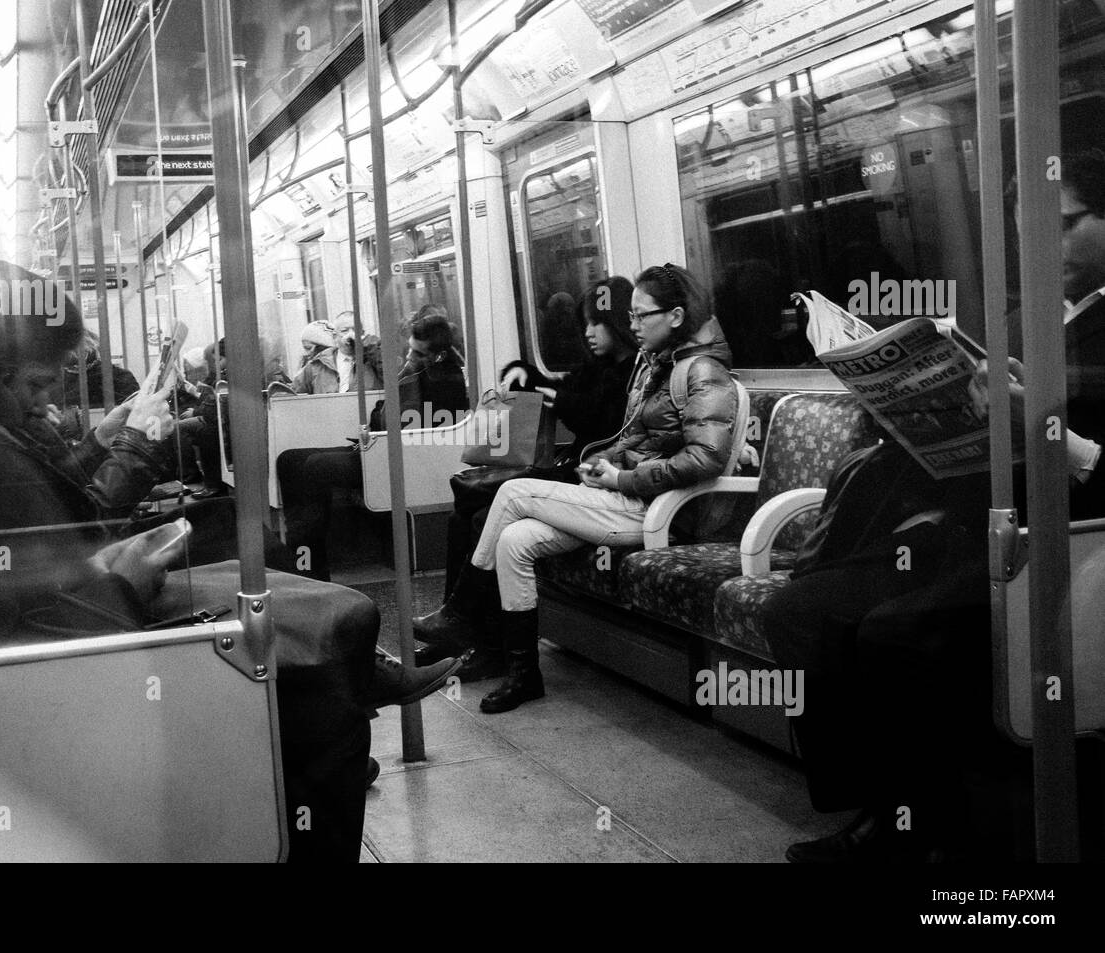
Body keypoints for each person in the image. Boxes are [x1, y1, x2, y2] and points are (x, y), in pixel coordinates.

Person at [0, 261, 459, 862]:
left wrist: (105, 448)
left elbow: (27, 552)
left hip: (37, 658)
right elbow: (45, 585)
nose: (45, 400)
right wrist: (117, 568)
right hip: (55, 692)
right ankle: (341, 697)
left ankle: (354, 668)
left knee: (271, 580)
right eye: (37, 383)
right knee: (289, 605)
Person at [766, 149, 1105, 863]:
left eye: (1065, 222)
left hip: (1063, 541)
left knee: (894, 631)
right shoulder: (1019, 322)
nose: (1041, 244)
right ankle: (879, 804)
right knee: (798, 611)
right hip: (968, 528)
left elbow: (1088, 462)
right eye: (1025, 229)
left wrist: (1050, 432)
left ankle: (931, 830)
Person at [416, 264, 738, 713]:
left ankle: (460, 614)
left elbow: (706, 458)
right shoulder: (657, 368)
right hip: (628, 496)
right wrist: (605, 460)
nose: (633, 325)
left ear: (677, 316)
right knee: (513, 539)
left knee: (513, 493)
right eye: (630, 317)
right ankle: (524, 673)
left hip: (663, 511)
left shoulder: (700, 372)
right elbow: (637, 438)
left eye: (642, 316)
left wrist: (622, 477)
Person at [414, 277, 639, 679]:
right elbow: (564, 388)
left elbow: (604, 422)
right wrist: (524, 373)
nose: (588, 333)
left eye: (596, 323)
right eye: (584, 324)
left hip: (594, 477)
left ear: (618, 322)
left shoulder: (635, 373)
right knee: (461, 517)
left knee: (486, 518)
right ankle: (458, 632)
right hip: (577, 471)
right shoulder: (599, 368)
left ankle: (486, 644)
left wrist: (557, 398)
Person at [277, 306, 469, 582]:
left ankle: (312, 569)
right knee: (289, 459)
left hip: (401, 455)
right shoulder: (418, 372)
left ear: (437, 356)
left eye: (416, 353)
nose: (408, 356)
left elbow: (406, 424)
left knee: (314, 466)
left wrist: (376, 429)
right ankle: (301, 553)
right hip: (382, 446)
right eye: (410, 349)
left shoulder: (438, 381)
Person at [290, 312, 383, 394]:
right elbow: (294, 396)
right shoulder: (317, 365)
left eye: (356, 330)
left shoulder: (374, 360)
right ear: (335, 336)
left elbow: (394, 374)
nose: (350, 334)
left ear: (362, 334)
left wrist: (368, 344)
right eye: (344, 331)